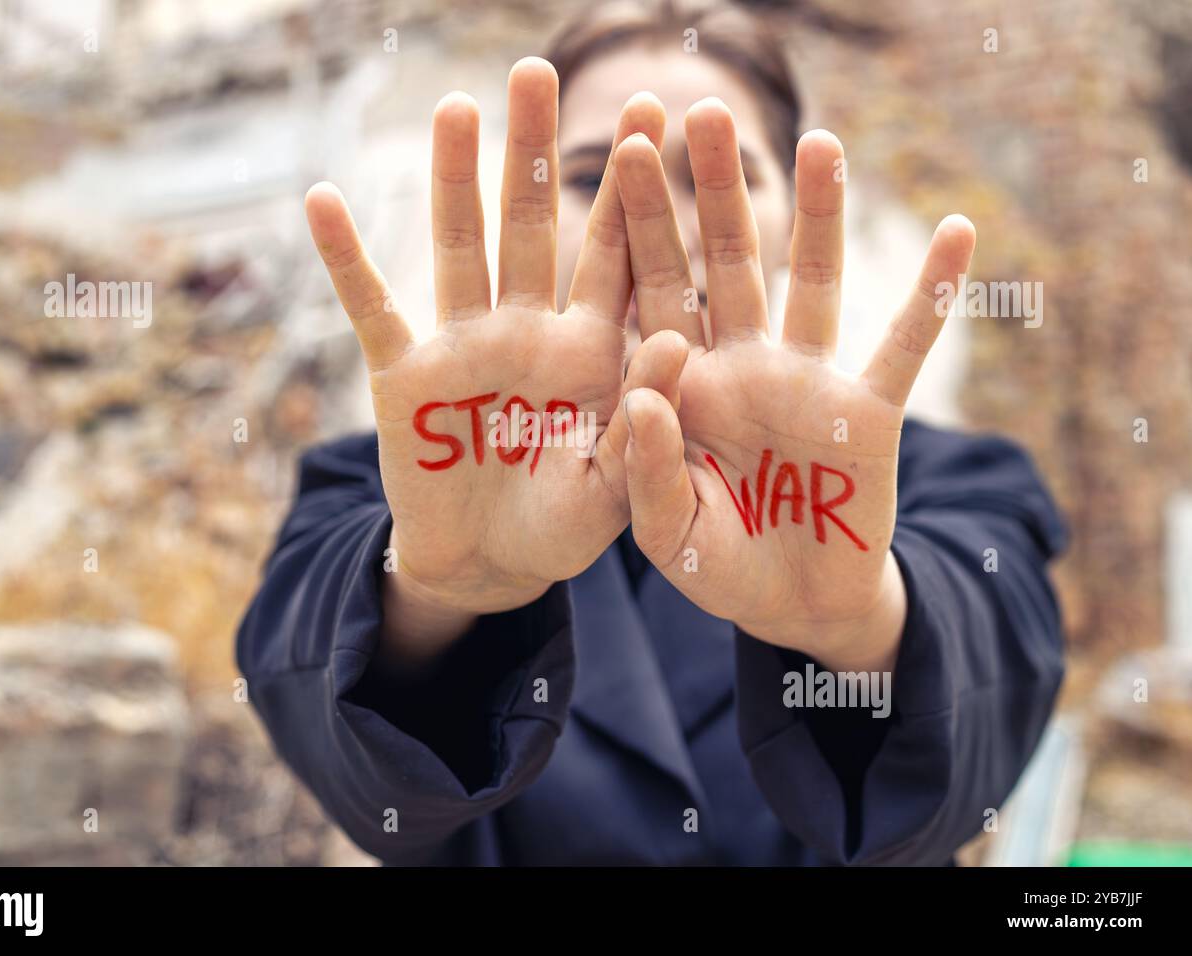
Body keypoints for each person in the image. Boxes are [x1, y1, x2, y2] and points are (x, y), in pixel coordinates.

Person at [236, 0, 1067, 865]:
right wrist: (438, 595)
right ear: (529, 209)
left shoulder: (949, 488)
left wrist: (862, 627)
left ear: (791, 221)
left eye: (720, 178)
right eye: (593, 179)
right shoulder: (397, 484)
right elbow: (315, 708)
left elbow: (996, 700)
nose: (654, 220)